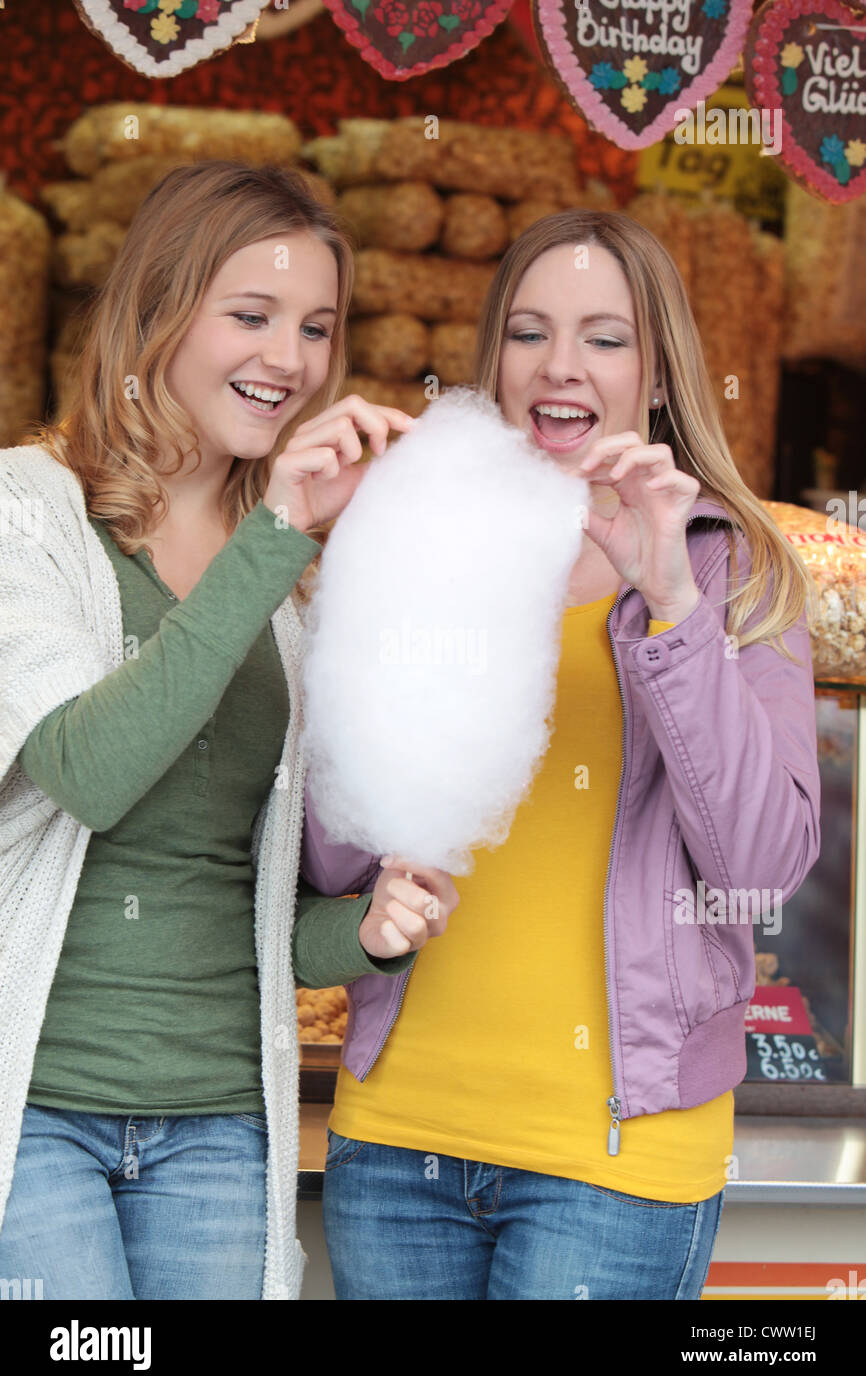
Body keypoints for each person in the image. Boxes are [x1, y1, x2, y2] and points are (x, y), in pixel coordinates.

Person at [301, 209, 822, 1301]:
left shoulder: (736, 574)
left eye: (603, 336)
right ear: (494, 360)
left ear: (660, 374)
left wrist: (666, 603)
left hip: (613, 1166)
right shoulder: (424, 537)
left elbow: (758, 868)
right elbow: (333, 861)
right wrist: (343, 578)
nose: (559, 364)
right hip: (400, 1137)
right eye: (528, 331)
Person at [0, 161, 458, 1301]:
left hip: (217, 1126)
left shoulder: (294, 571)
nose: (287, 358)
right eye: (249, 315)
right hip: (34, 1111)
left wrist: (367, 932)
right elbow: (88, 771)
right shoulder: (29, 511)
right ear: (157, 312)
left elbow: (237, 904)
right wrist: (280, 538)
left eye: (314, 326)